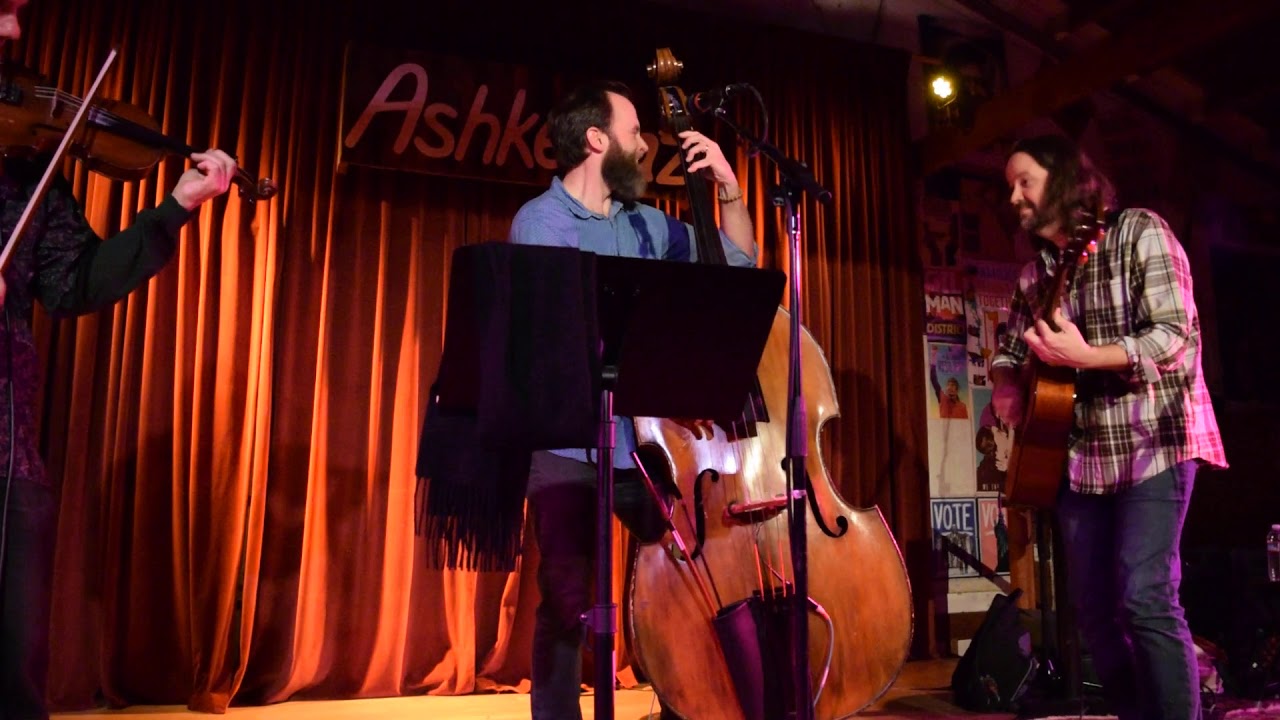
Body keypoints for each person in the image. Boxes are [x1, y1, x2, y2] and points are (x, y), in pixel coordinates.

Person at [0, 4, 240, 718]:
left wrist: (172, 209)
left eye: (17, 15)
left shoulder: (24, 156)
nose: (14, 33)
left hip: (7, 452)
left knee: (14, 677)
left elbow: (72, 282)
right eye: (2, 11)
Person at [508, 80, 756, 720]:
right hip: (568, 438)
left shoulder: (649, 225)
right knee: (565, 594)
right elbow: (560, 340)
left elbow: (736, 267)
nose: (647, 144)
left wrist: (726, 190)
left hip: (642, 447)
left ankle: (688, 703)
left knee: (685, 569)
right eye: (635, 129)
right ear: (597, 140)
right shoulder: (540, 223)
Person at [991, 134, 1226, 719]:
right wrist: (1004, 384)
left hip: (1155, 440)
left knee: (1145, 596)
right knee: (1093, 612)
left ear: (1065, 179)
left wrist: (1089, 357)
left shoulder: (1139, 232)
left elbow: (1175, 336)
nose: (1014, 196)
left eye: (1025, 181)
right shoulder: (1034, 276)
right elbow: (1008, 348)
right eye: (1010, 187)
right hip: (1081, 454)